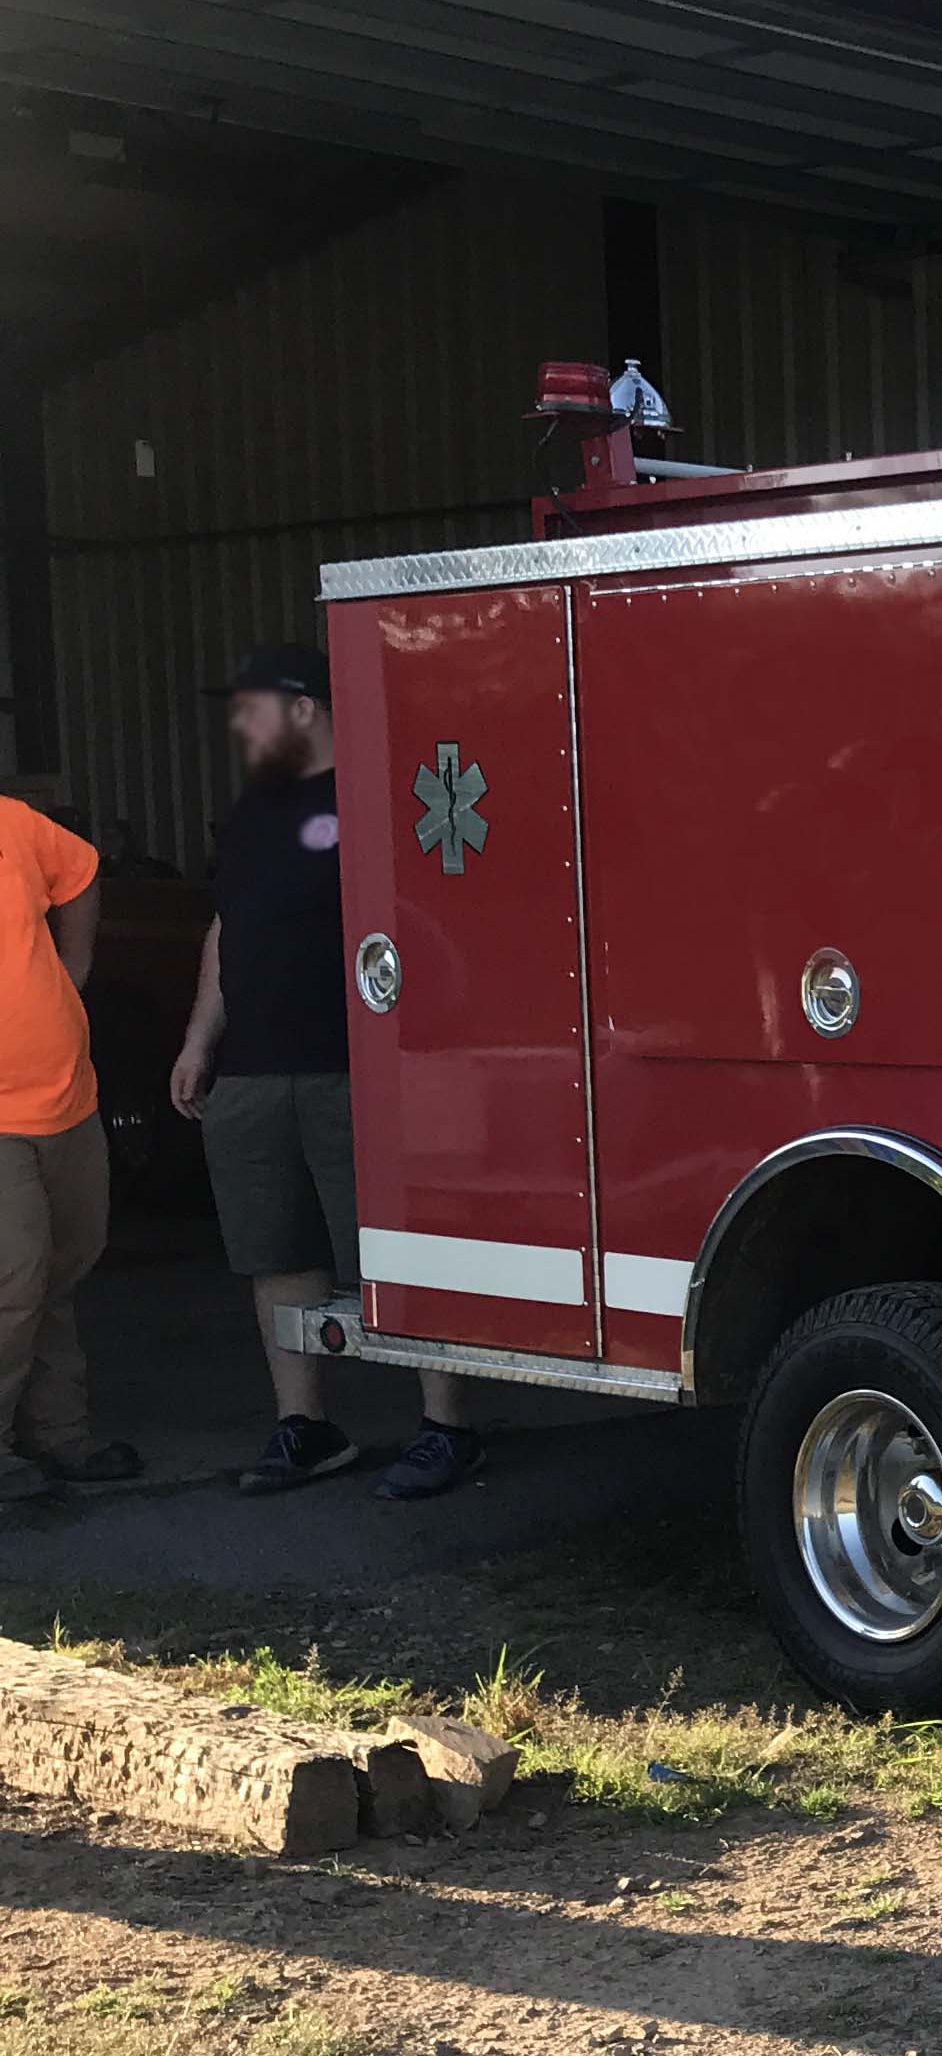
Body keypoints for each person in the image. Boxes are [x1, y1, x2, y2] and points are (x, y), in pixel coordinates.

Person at [164, 643, 480, 1501]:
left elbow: (435, 913)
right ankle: (305, 1427)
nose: (240, 724)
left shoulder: (379, 796)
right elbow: (226, 928)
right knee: (276, 1252)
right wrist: (199, 1042)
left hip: (357, 1070)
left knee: (399, 1253)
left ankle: (446, 1428)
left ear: (305, 709)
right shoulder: (249, 814)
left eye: (253, 707)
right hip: (254, 1074)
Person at [0, 789, 140, 1501]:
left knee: (62, 1268)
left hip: (66, 1098)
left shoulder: (13, 823)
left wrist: (72, 968)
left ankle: (56, 1432)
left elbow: (80, 873)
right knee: (15, 1278)